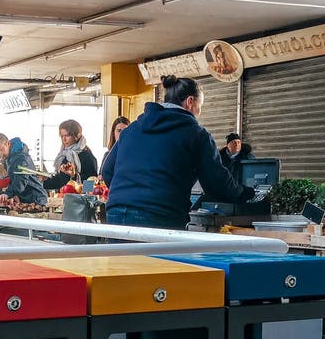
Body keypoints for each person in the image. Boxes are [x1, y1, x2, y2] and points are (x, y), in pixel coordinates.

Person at [102, 75, 256, 230]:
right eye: (200, 106)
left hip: (116, 213)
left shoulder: (132, 129)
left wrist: (127, 196)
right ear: (190, 102)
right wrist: (246, 193)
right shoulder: (195, 133)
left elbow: (107, 171)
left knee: (123, 255)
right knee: (156, 256)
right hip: (159, 216)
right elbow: (216, 182)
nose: (199, 112)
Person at [0, 133, 47, 207]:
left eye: (1, 149)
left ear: (8, 143)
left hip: (35, 199)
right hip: (25, 198)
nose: (0, 155)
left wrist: (7, 194)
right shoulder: (9, 159)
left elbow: (20, 180)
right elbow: (13, 178)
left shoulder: (22, 159)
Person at [42, 120, 98, 191]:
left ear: (77, 135)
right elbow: (61, 180)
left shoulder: (87, 156)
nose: (64, 139)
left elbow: (91, 185)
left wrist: (74, 176)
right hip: (63, 197)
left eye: (67, 135)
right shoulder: (64, 155)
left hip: (79, 200)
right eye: (62, 136)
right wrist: (44, 181)